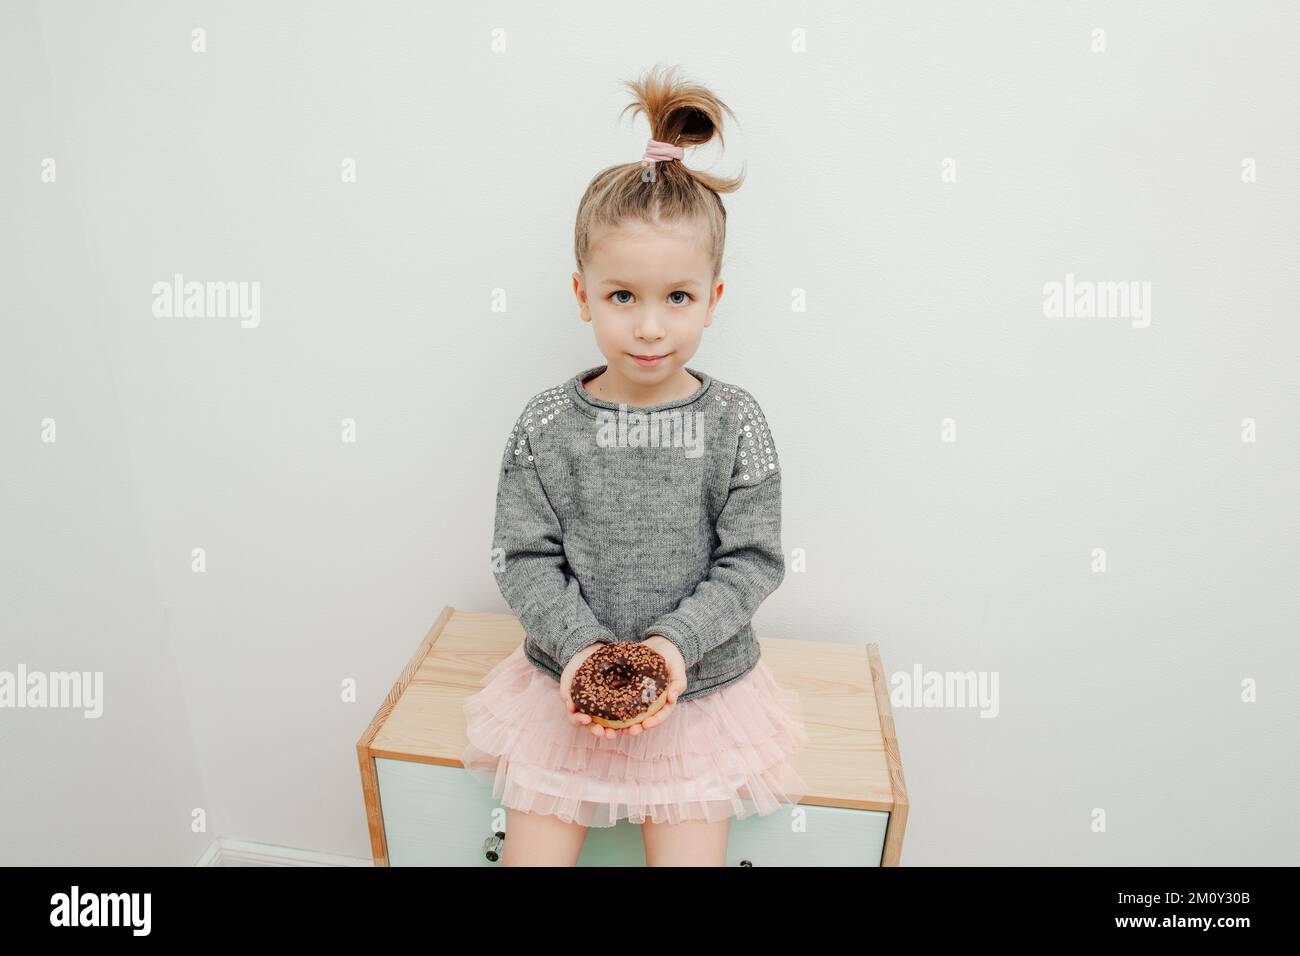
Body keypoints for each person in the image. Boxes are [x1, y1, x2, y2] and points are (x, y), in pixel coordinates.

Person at [461, 63, 808, 866]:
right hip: (561, 688)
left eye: (677, 298)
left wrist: (671, 652)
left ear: (713, 298)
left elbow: (751, 561)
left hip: (701, 694)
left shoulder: (735, 423)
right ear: (582, 293)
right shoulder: (547, 425)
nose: (650, 328)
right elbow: (523, 558)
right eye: (622, 296)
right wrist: (583, 651)